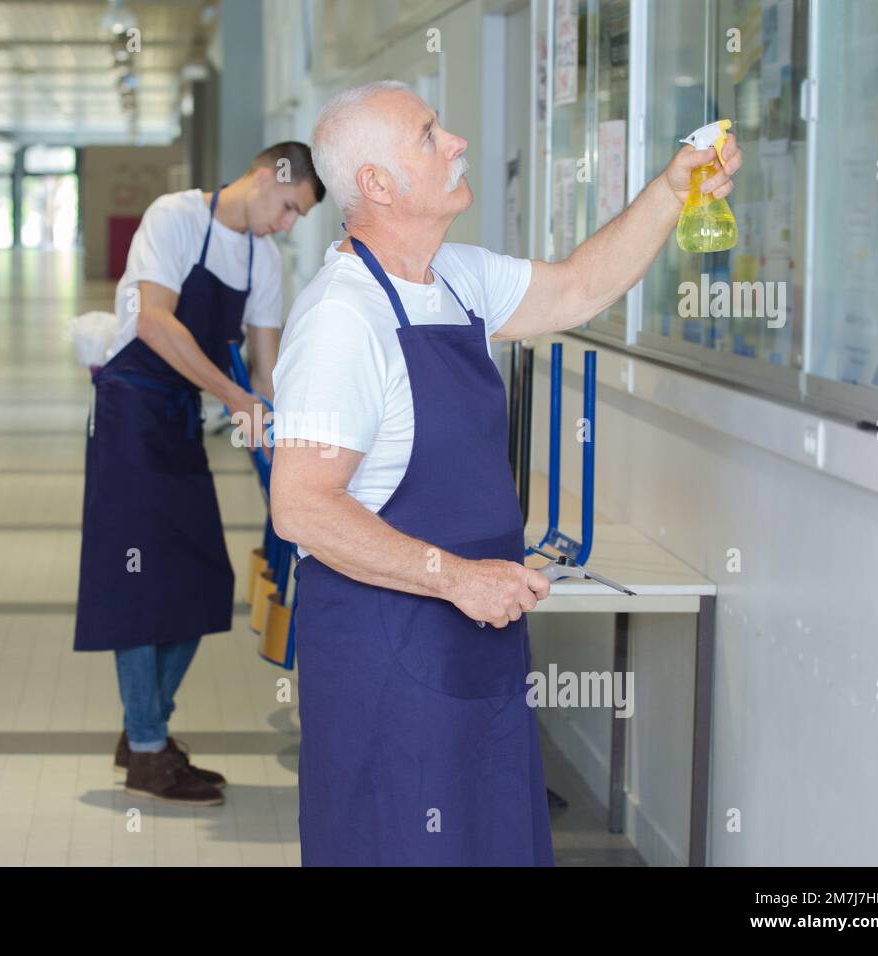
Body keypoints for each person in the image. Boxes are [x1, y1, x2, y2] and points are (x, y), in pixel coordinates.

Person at [270, 81, 742, 864]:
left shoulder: (454, 278)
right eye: (429, 135)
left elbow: (581, 287)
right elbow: (301, 508)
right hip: (388, 658)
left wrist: (670, 189)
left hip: (476, 646)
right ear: (380, 186)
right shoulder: (340, 322)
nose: (456, 142)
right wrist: (453, 576)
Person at [75, 143, 324, 805]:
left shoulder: (261, 260)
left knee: (202, 580)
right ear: (269, 175)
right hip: (129, 411)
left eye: (299, 217)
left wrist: (287, 452)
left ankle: (144, 729)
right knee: (138, 586)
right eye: (291, 206)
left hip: (181, 415)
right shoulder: (175, 217)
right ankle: (149, 749)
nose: (288, 223)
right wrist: (234, 398)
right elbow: (155, 323)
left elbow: (266, 376)